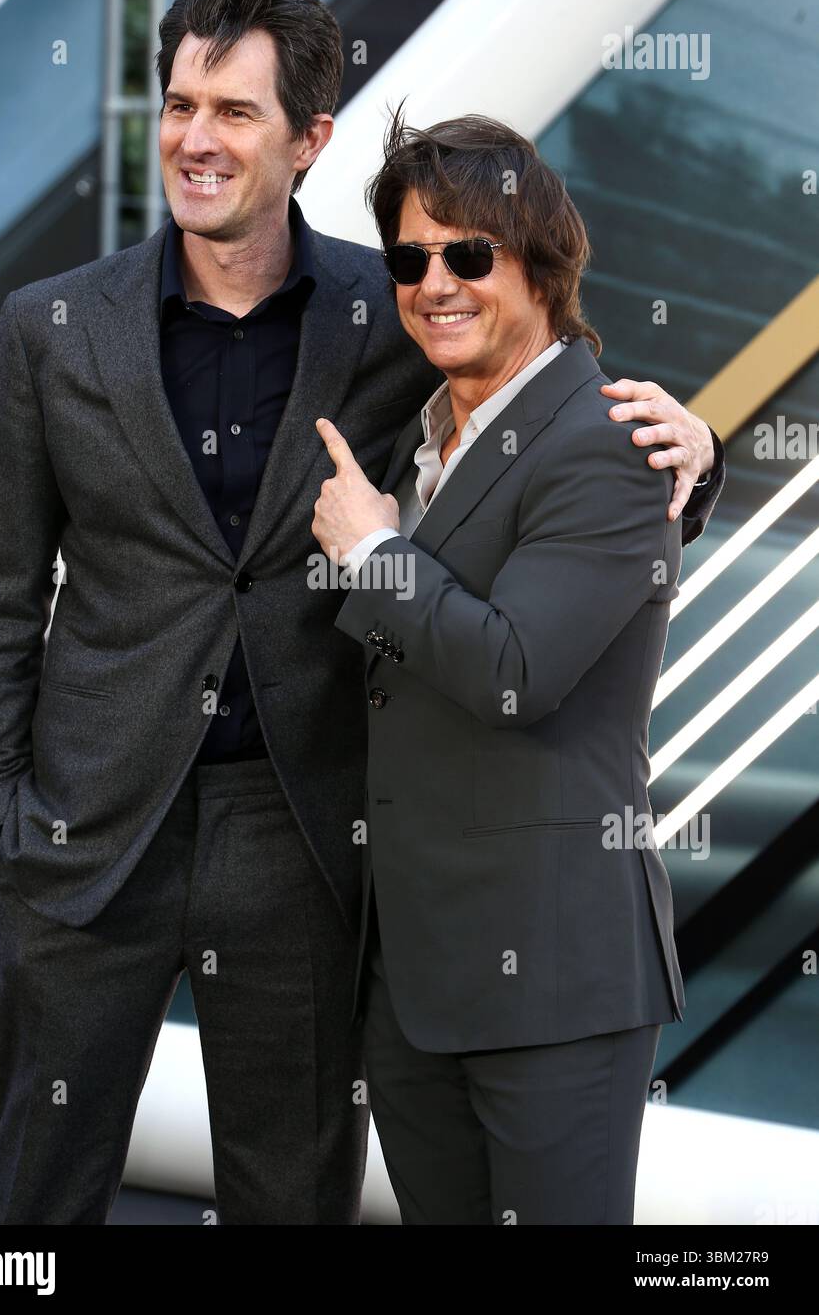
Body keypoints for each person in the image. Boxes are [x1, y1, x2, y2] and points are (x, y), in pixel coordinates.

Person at [0, 0, 723, 1225]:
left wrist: (694, 452)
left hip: (301, 840)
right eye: (180, 105)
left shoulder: (395, 309)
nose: (197, 138)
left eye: (236, 112)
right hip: (83, 834)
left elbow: (541, 396)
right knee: (33, 1199)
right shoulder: (49, 330)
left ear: (308, 139)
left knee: (293, 1195)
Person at [312, 110, 718, 1224]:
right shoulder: (419, 435)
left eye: (469, 254)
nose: (434, 282)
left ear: (541, 263)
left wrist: (374, 553)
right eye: (411, 257)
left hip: (552, 977)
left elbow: (515, 670)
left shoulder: (610, 437)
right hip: (415, 979)